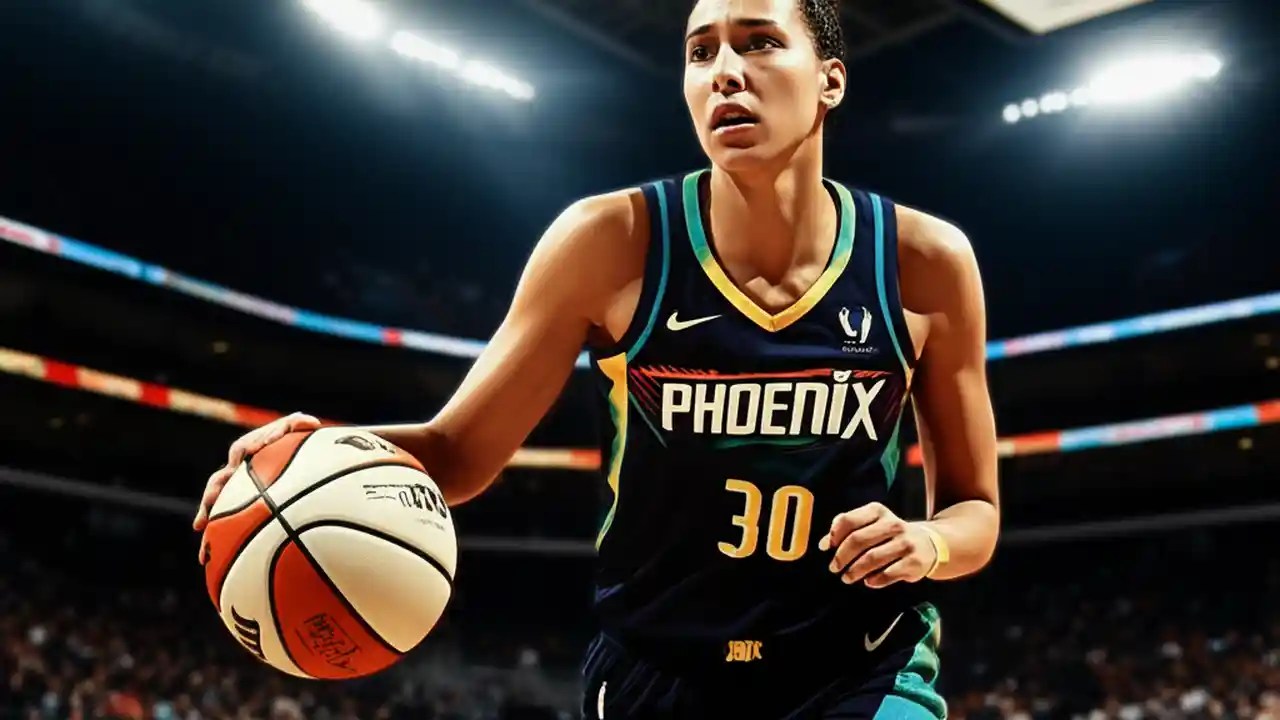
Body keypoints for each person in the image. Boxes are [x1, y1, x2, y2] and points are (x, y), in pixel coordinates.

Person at [193, 0, 1000, 716]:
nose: (725, 73)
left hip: (858, 665)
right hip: (660, 667)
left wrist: (923, 543)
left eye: (757, 43)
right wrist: (312, 459)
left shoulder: (923, 262)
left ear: (829, 80)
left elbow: (975, 512)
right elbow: (459, 455)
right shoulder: (608, 244)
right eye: (700, 51)